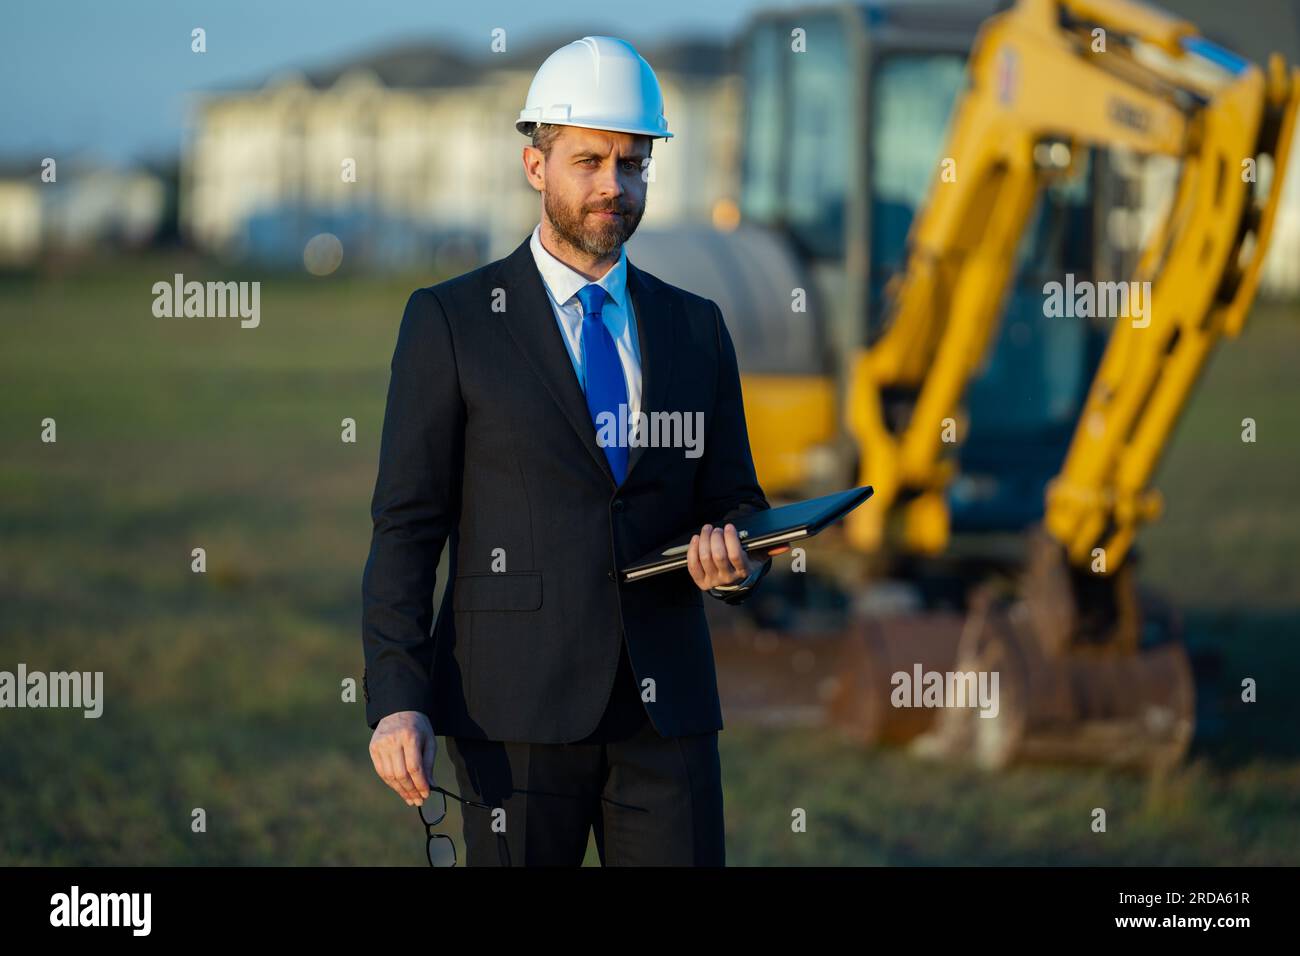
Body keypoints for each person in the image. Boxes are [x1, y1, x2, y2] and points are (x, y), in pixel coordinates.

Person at [361, 35, 775, 866]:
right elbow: (408, 525)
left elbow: (739, 503)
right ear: (534, 165)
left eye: (632, 164)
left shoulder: (696, 327)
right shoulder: (450, 322)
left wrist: (743, 561)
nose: (611, 187)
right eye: (588, 161)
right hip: (510, 718)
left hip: (670, 715)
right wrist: (398, 698)